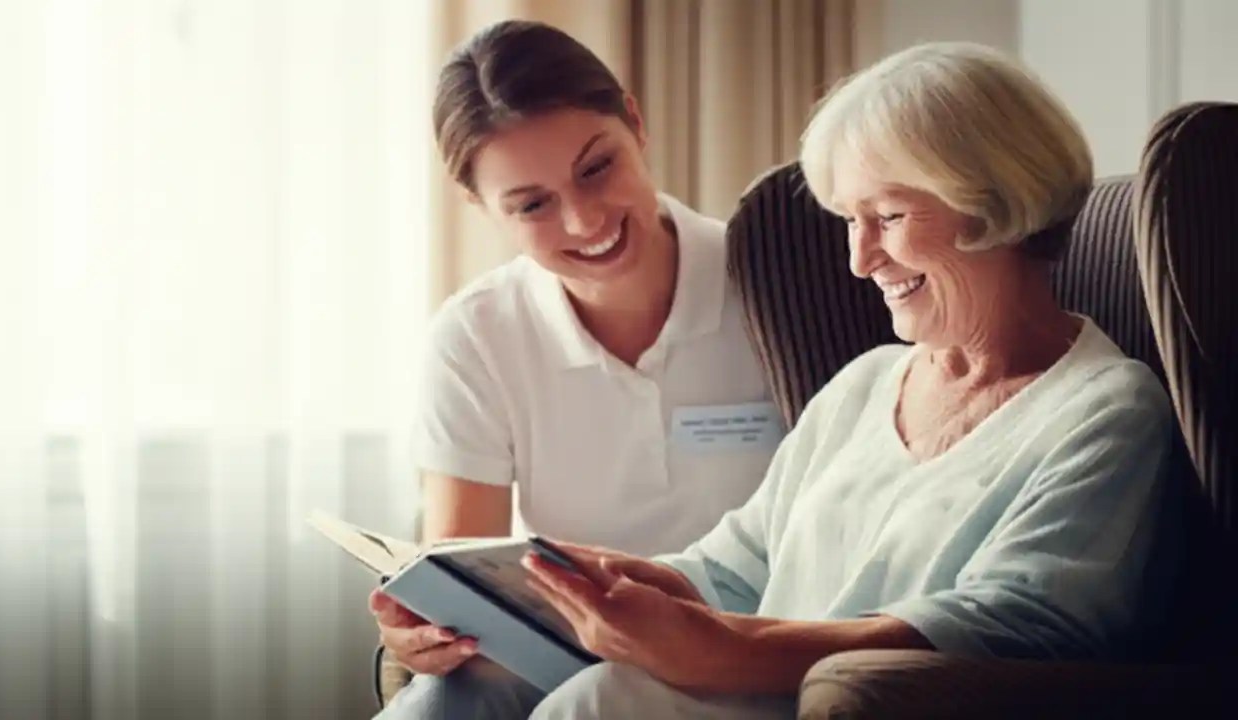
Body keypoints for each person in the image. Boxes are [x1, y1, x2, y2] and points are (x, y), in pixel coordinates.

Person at [389, 41, 1182, 719]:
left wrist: (729, 648)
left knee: (600, 702)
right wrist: (606, 580)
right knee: (461, 696)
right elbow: (734, 566)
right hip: (739, 683)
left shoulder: (1107, 411)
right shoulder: (869, 383)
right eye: (849, 221)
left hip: (828, 701)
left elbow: (1009, 626)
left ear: (996, 200)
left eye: (890, 218)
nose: (859, 260)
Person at [369, 18, 780, 702]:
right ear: (480, 207)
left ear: (636, 124)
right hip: (570, 656)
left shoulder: (776, 290)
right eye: (533, 204)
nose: (586, 222)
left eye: (597, 168)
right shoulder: (476, 335)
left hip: (746, 648)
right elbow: (458, 569)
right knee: (447, 699)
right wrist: (426, 632)